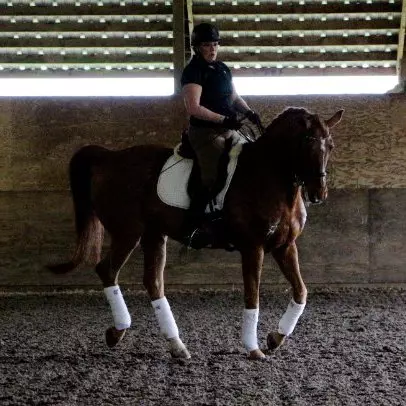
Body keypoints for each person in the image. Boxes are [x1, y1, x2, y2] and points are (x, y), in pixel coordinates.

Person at [180, 22, 260, 247]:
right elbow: (193, 107)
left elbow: (234, 98)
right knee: (214, 175)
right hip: (205, 133)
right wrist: (223, 119)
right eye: (207, 45)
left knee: (250, 161)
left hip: (230, 129)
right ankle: (192, 225)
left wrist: (248, 112)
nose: (212, 49)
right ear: (197, 47)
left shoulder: (223, 68)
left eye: (215, 44)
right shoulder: (193, 71)